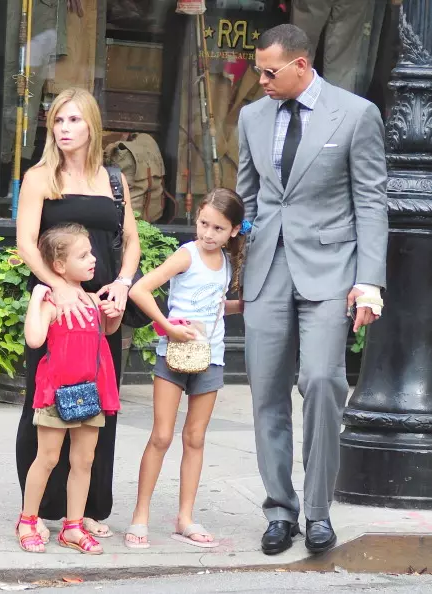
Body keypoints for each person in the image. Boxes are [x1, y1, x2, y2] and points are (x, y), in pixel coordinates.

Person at [236, 24, 388, 555]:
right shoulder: (252, 117)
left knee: (322, 381)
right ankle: (280, 511)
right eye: (258, 70)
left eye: (269, 72)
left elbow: (371, 201)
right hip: (266, 271)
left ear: (302, 65)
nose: (260, 81)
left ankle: (319, 511)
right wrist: (224, 269)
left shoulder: (356, 114)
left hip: (331, 269)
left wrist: (368, 282)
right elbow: (247, 201)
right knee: (267, 395)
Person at [16, 87, 140, 542]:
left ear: (91, 126)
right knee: (47, 401)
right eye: (58, 122)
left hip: (103, 308)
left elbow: (130, 241)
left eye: (73, 121)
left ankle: (83, 511)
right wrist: (59, 286)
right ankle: (37, 509)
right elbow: (27, 243)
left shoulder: (112, 179)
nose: (64, 129)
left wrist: (124, 284)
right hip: (58, 306)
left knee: (97, 404)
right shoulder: (40, 177)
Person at [124, 188, 246, 549]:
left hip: (211, 356)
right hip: (172, 355)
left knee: (195, 438)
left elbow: (215, 307)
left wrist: (246, 307)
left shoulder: (226, 264)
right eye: (203, 224)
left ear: (234, 231)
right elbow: (140, 290)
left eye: (218, 229)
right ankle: (140, 516)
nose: (207, 234)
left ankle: (185, 518)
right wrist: (168, 325)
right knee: (161, 436)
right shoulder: (186, 255)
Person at [17, 223, 121, 553]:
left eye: (91, 252)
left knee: (84, 460)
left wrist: (113, 313)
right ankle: (28, 520)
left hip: (89, 393)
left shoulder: (91, 298)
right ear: (60, 266)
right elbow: (34, 338)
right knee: (47, 457)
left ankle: (73, 526)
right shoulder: (51, 301)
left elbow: (105, 331)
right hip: (55, 394)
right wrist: (37, 295)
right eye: (84, 255)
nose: (93, 259)